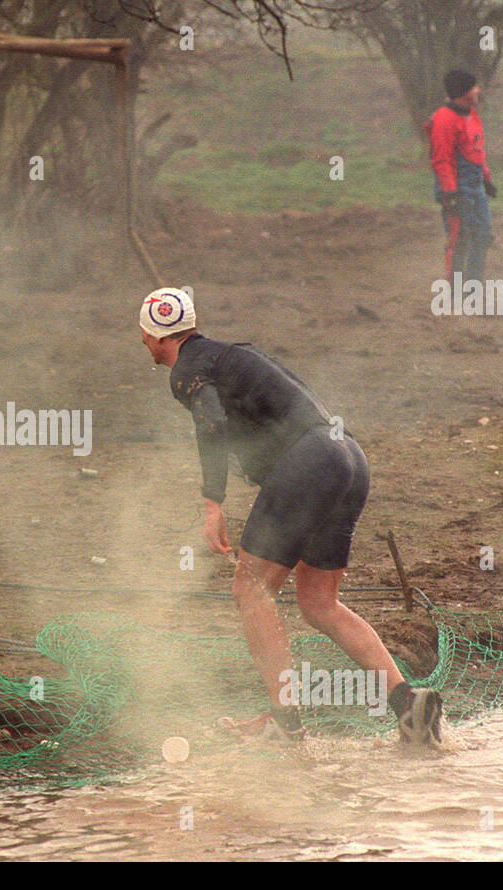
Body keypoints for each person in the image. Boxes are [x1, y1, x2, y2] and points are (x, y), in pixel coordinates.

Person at [138, 288, 443, 746]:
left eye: (143, 335)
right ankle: (408, 703)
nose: (143, 343)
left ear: (153, 336)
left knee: (251, 588)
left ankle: (285, 723)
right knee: (319, 604)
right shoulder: (231, 355)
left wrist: (212, 502)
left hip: (312, 462)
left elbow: (212, 423)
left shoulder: (187, 371)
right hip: (348, 457)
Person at [426, 69, 495, 284]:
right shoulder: (444, 119)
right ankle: (454, 291)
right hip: (457, 187)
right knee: (460, 238)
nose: (478, 91)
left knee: (483, 235)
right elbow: (442, 159)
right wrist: (450, 193)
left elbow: (476, 149)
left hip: (475, 186)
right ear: (463, 92)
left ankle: (473, 286)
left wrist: (486, 178)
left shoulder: (472, 114)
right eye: (474, 87)